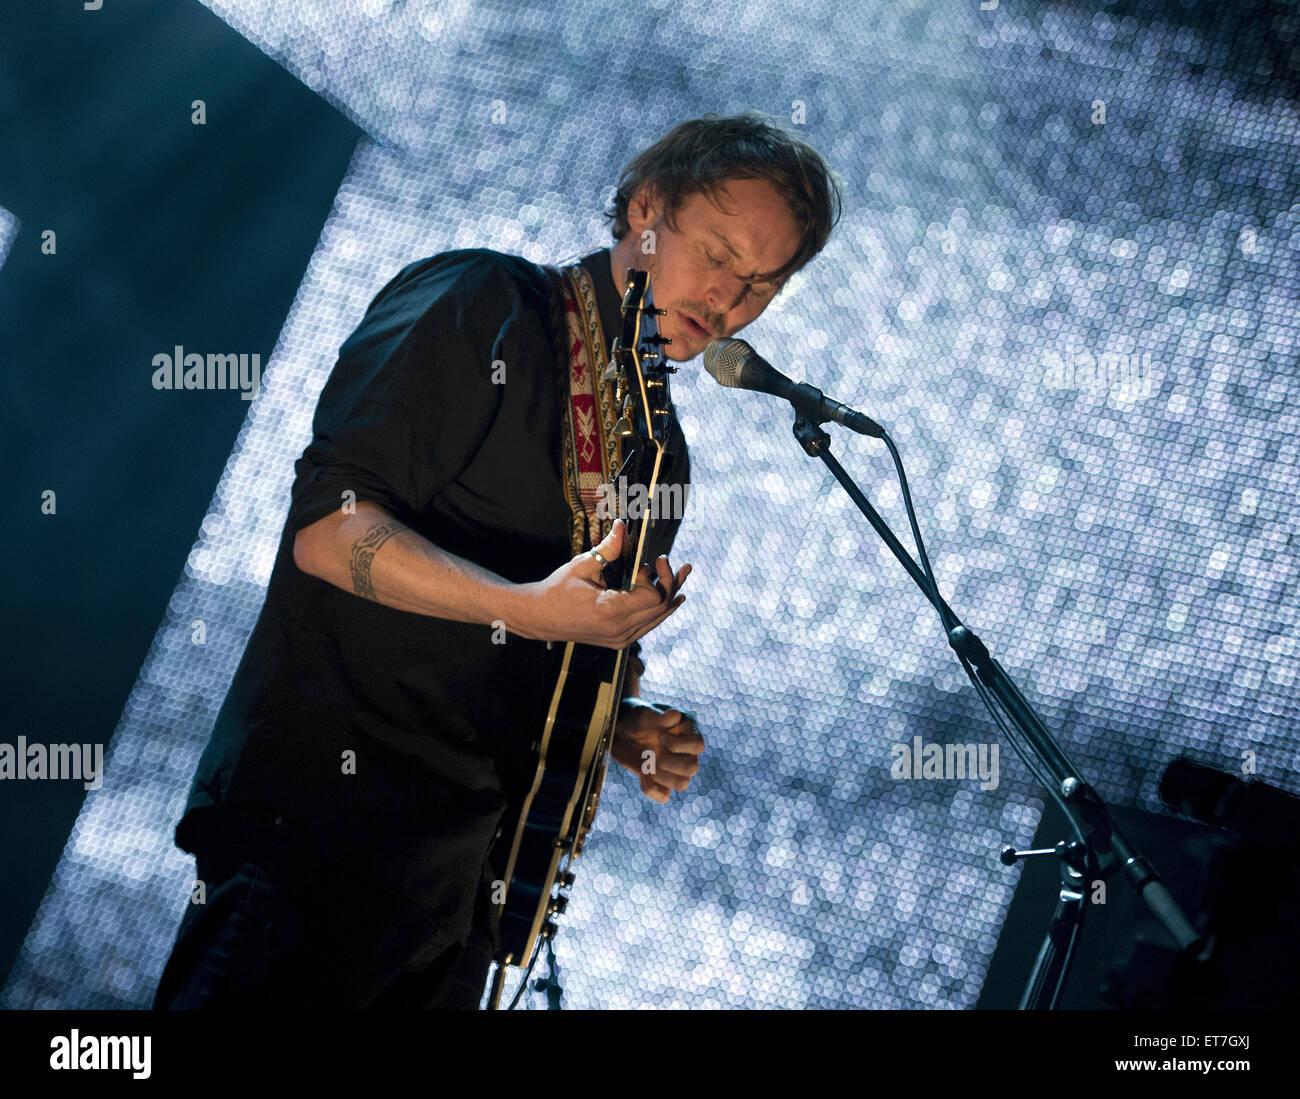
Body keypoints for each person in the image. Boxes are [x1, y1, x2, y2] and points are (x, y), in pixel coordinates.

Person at [152, 112, 841, 1009]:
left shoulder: (661, 452)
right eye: (715, 253)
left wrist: (618, 725)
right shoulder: (484, 302)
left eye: (758, 287)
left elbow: (546, 657)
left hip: (467, 899)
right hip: (318, 847)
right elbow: (328, 529)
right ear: (646, 207)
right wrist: (530, 608)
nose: (726, 301)